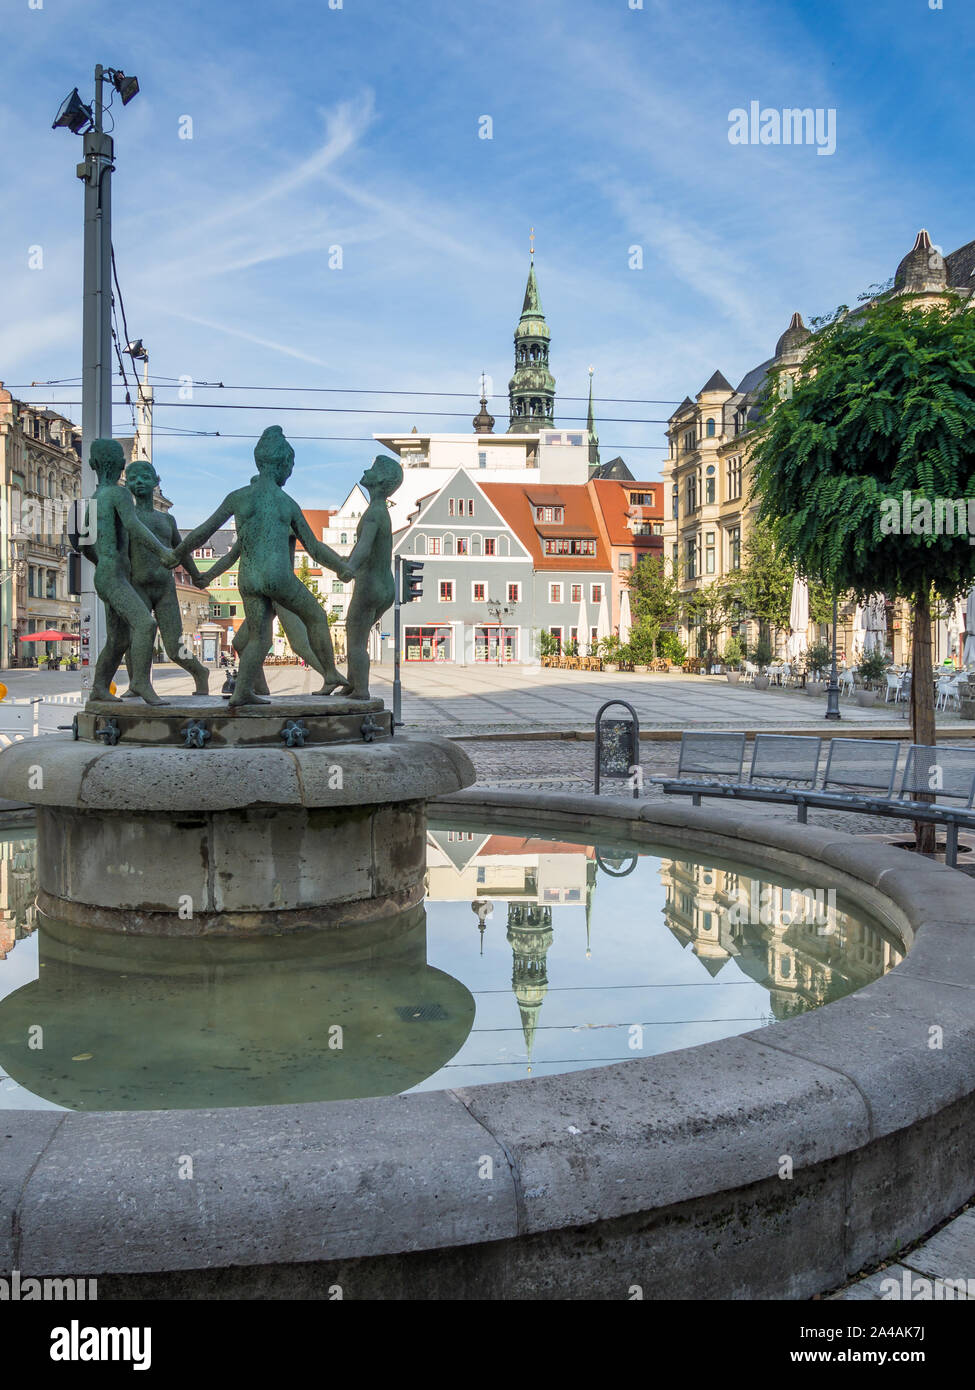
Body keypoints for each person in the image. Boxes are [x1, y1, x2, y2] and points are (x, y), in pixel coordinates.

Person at [175, 427, 352, 707]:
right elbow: (315, 549)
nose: (289, 473)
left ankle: (242, 691)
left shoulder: (239, 496)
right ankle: (330, 674)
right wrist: (342, 567)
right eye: (290, 467)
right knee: (316, 616)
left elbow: (203, 531)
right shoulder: (286, 503)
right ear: (283, 465)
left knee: (258, 637)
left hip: (248, 578)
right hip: (277, 575)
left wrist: (177, 554)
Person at [82, 438, 178, 705]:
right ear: (123, 466)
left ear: (92, 465)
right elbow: (134, 526)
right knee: (145, 624)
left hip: (105, 573)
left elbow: (81, 543)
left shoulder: (93, 499)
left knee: (119, 637)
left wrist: (102, 559)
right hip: (115, 576)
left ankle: (100, 688)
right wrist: (162, 551)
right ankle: (140, 682)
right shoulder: (119, 493)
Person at [123, 459, 211, 696]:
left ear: (155, 482)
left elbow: (181, 550)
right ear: (128, 484)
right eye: (133, 478)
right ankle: (136, 684)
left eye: (144, 477)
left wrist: (196, 576)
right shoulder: (126, 517)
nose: (139, 481)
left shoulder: (166, 520)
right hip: (136, 585)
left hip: (164, 588)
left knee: (174, 646)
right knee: (135, 639)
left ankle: (199, 672)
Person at [337, 454, 403, 700]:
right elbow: (365, 547)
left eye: (373, 469)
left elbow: (364, 546)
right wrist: (346, 560)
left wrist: (349, 568)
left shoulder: (375, 511)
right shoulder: (379, 511)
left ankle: (361, 690)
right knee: (359, 635)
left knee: (355, 638)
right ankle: (352, 683)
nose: (367, 470)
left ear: (380, 480)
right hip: (385, 585)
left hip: (370, 585)